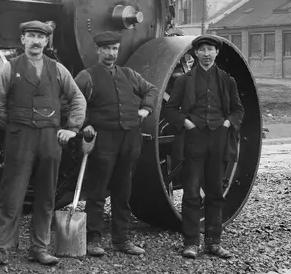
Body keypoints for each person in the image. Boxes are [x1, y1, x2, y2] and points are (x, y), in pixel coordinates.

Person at [0, 21, 86, 268]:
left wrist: (71, 129)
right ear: (23, 40)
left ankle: (40, 248)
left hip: (50, 139)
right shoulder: (10, 69)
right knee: (11, 195)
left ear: (47, 42)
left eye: (40, 37)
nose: (36, 41)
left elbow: (77, 98)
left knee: (46, 195)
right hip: (20, 139)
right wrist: (14, 126)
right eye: (31, 36)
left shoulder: (58, 69)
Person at [75, 32, 160, 257]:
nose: (111, 53)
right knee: (98, 190)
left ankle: (121, 239)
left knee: (123, 190)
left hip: (130, 139)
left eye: (114, 49)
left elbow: (151, 90)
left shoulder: (129, 74)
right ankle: (93, 239)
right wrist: (85, 124)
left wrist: (145, 109)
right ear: (98, 51)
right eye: (106, 49)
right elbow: (71, 102)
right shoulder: (87, 76)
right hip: (103, 139)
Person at [162, 35, 244, 260]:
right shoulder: (184, 81)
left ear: (217, 53)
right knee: (191, 193)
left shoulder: (227, 80)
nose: (206, 54)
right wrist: (186, 123)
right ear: (195, 53)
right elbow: (171, 110)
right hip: (192, 141)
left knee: (215, 193)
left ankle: (213, 242)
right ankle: (190, 243)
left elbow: (238, 110)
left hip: (218, 141)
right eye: (202, 50)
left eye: (210, 50)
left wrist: (227, 124)